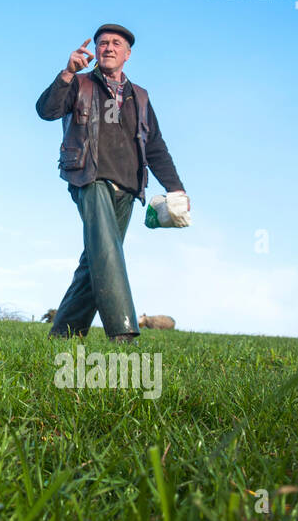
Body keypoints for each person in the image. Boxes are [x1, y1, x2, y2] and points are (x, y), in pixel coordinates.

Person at [35, 24, 188, 342]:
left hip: (129, 188)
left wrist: (175, 188)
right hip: (88, 178)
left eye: (116, 43)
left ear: (127, 54)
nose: (108, 47)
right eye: (102, 43)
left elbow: (155, 146)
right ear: (94, 50)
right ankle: (123, 332)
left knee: (98, 257)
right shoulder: (79, 84)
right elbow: (46, 111)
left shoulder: (140, 96)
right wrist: (66, 73)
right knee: (107, 251)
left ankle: (64, 333)